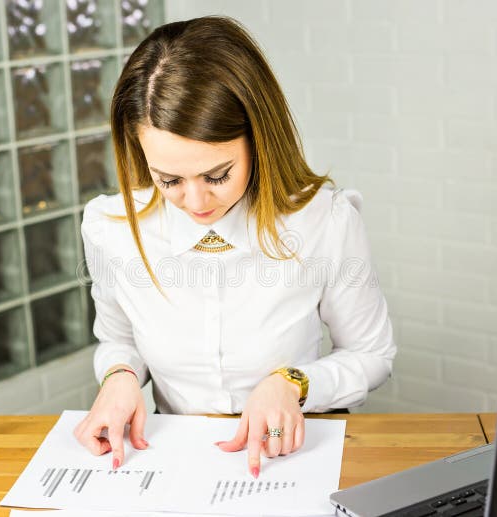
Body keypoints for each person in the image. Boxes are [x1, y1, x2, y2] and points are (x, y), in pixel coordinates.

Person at [74, 16, 396, 478]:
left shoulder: (324, 219)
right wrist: (120, 377)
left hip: (295, 459)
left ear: (258, 139)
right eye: (169, 180)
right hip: (174, 463)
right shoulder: (111, 227)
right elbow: (119, 340)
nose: (196, 202)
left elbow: (372, 355)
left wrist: (293, 384)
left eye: (217, 175)